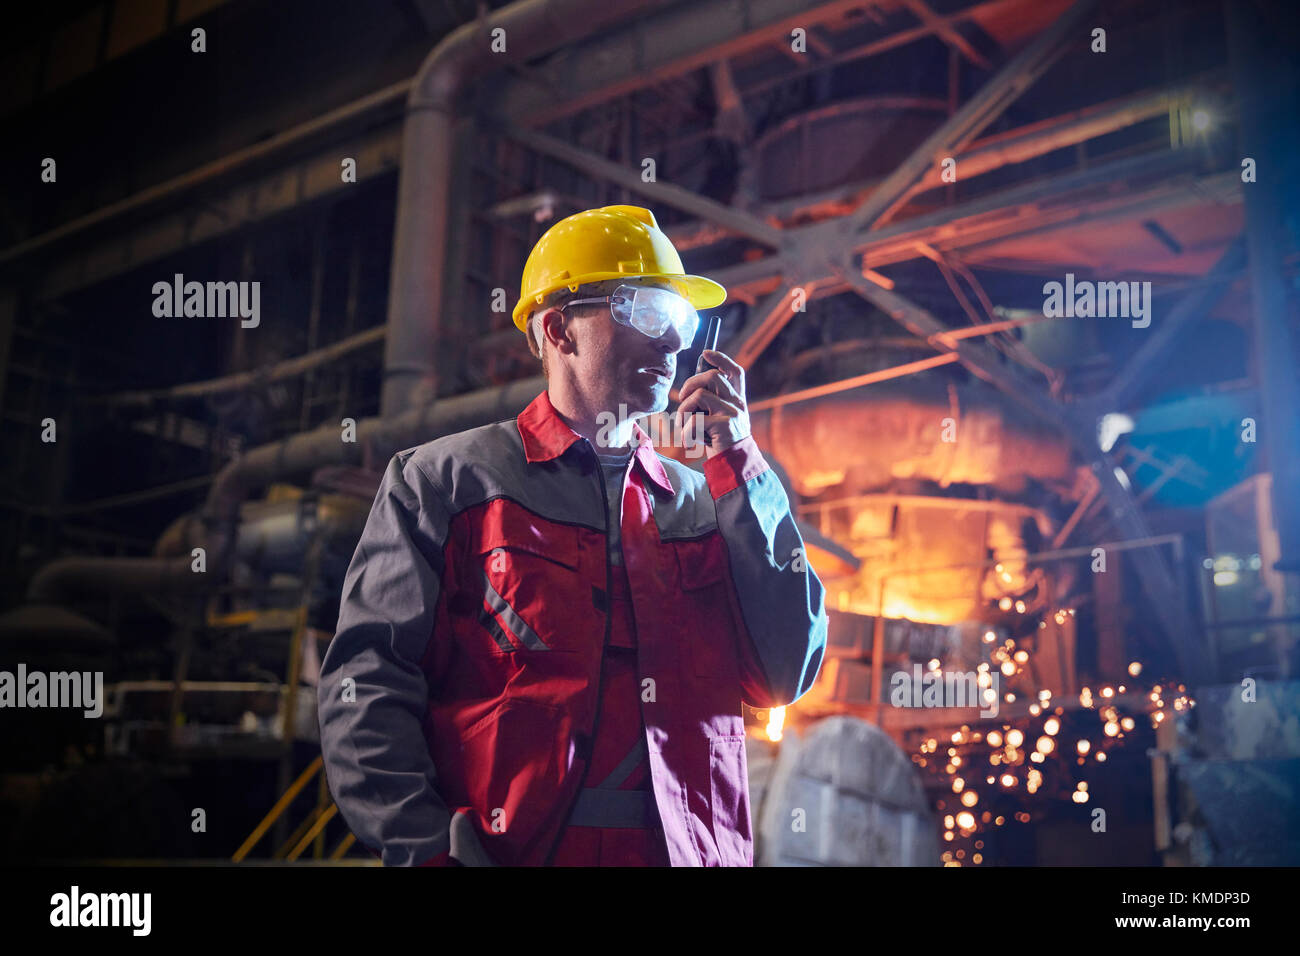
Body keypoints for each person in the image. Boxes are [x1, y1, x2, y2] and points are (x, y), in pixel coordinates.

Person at [317, 204, 827, 866]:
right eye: (643, 312)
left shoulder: (712, 504)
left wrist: (741, 465)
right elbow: (368, 682)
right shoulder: (445, 485)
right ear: (559, 329)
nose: (672, 343)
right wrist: (430, 851)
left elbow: (785, 675)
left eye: (678, 320)